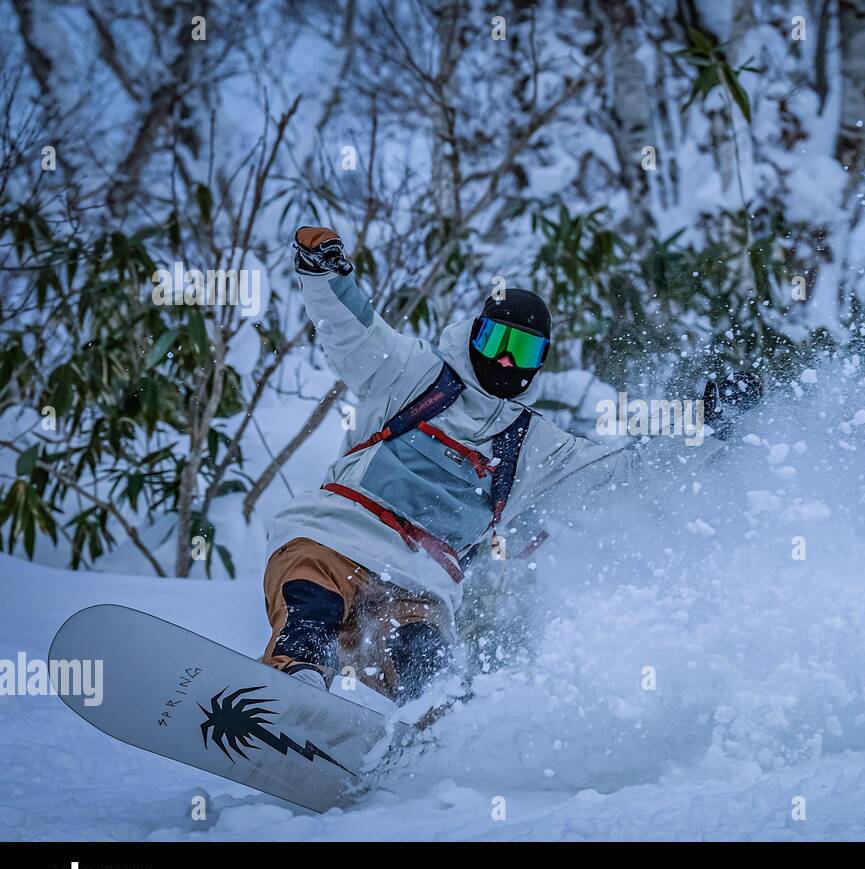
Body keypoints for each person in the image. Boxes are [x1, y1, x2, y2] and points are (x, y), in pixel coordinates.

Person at [260, 226, 759, 704]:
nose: (503, 362)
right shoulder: (412, 373)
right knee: (313, 606)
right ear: (473, 334)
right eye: (495, 342)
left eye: (521, 351)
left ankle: (430, 742)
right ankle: (296, 680)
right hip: (335, 536)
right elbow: (354, 328)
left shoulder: (535, 444)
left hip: (416, 579)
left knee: (425, 662)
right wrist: (324, 271)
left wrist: (707, 429)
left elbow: (623, 478)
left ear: (539, 363)